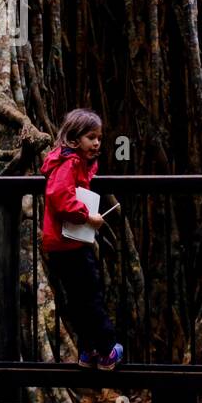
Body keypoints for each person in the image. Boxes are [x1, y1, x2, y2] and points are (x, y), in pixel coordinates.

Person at [40, 108, 124, 370]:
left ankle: (88, 351)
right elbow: (60, 198)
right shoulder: (68, 163)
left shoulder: (73, 163)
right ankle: (107, 350)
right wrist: (89, 217)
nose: (97, 143)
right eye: (91, 137)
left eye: (99, 137)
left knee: (78, 300)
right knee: (90, 296)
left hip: (66, 243)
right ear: (74, 139)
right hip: (70, 244)